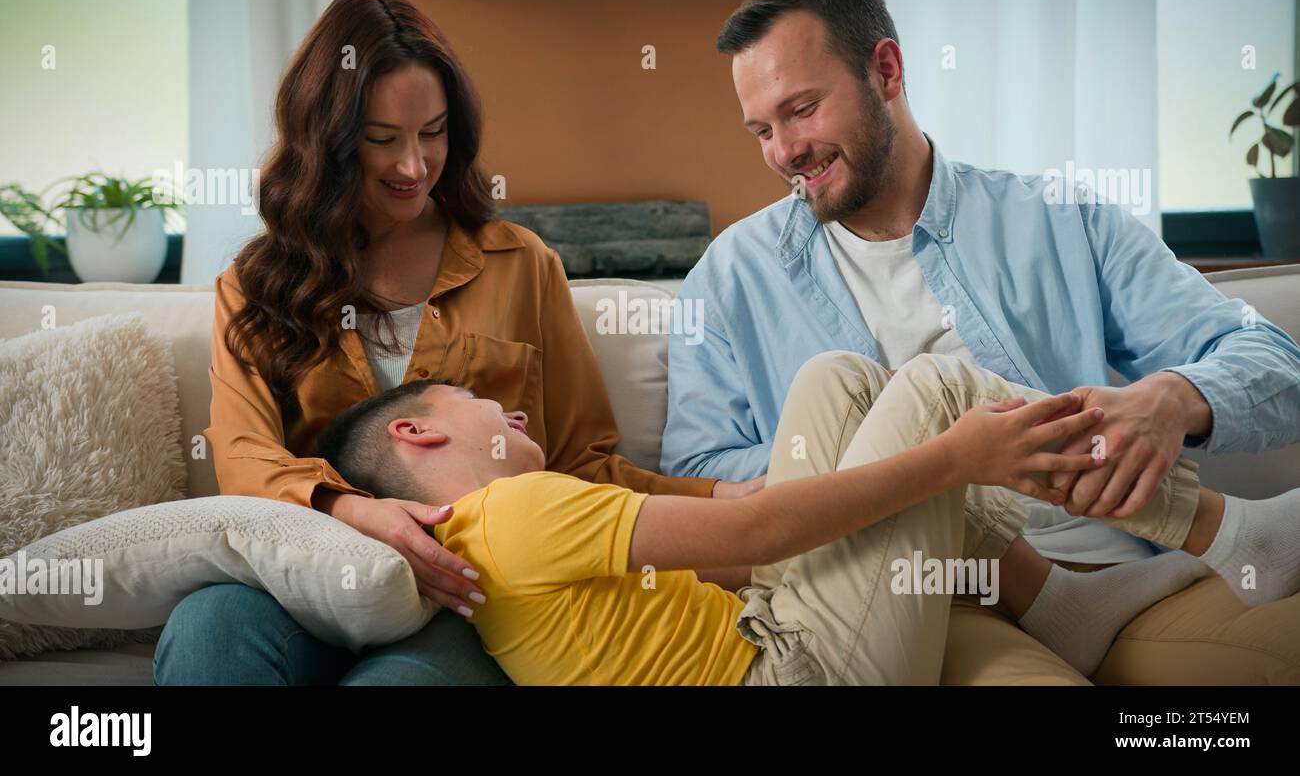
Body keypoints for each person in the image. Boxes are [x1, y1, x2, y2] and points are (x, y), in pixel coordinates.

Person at [661, 0, 1300, 684]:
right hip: (914, 594)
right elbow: (696, 478)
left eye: (802, 109)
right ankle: (1228, 528)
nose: (782, 151)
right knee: (925, 398)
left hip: (1117, 573)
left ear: (888, 70)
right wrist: (903, 456)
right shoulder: (731, 278)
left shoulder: (1059, 219)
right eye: (761, 130)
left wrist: (1172, 399)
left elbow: (1274, 361)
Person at [153, 0, 756, 686]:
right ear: (325, 138)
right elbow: (245, 459)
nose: (413, 166)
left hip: (462, 599)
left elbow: (582, 469)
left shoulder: (521, 264)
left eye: (433, 133)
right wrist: (362, 513)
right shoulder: (255, 285)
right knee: (207, 631)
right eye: (382, 139)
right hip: (304, 582)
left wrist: (722, 498)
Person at [313, 353, 1300, 685]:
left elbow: (729, 566)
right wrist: (953, 461)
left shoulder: (492, 535)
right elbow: (751, 541)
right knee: (936, 385)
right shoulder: (515, 508)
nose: (516, 413)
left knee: (831, 376)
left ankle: (1051, 602)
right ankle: (1223, 529)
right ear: (416, 430)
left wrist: (906, 492)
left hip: (776, 636)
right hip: (798, 672)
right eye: (485, 405)